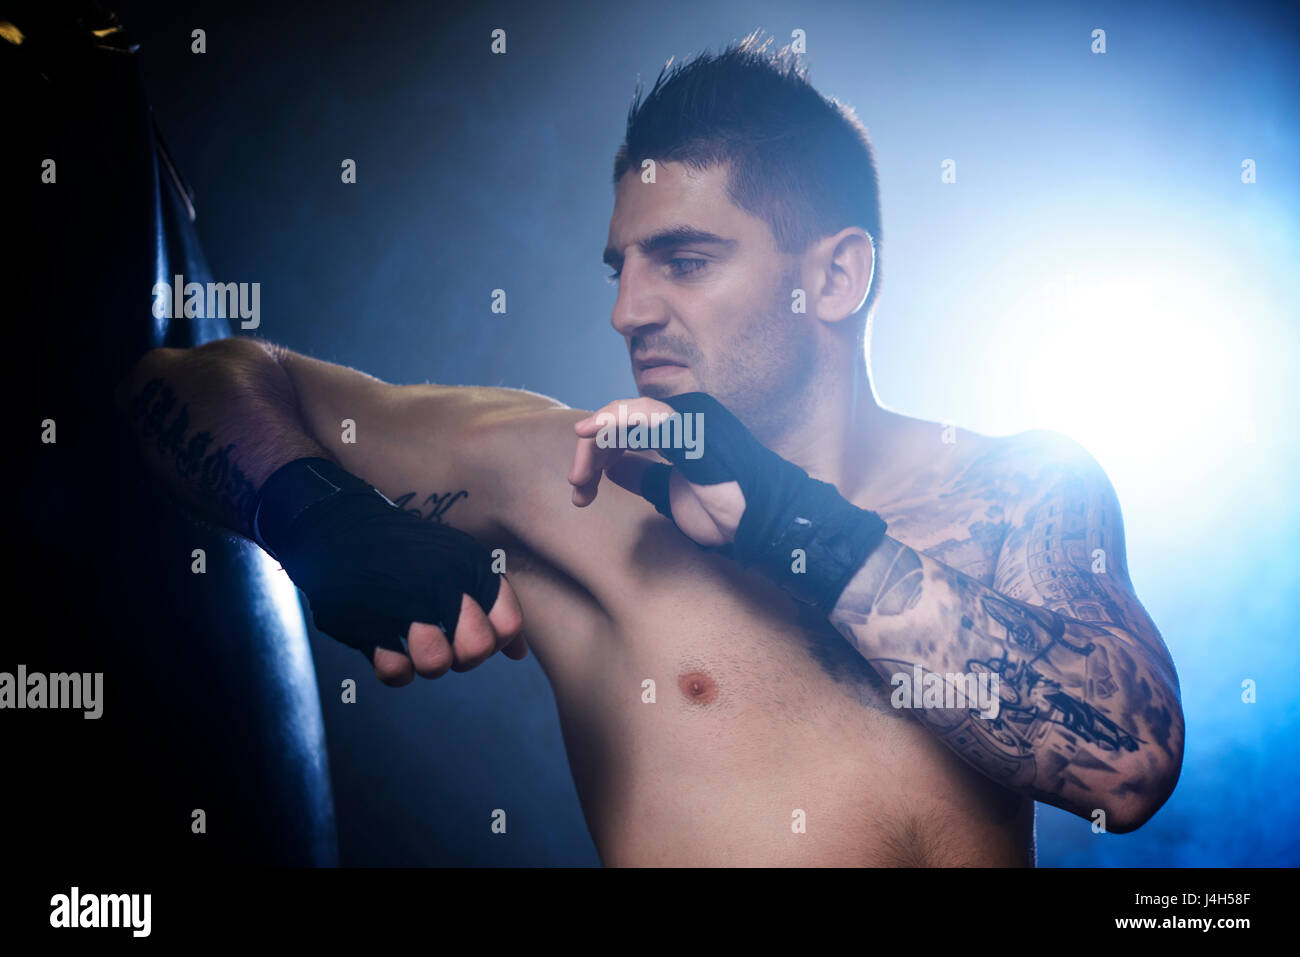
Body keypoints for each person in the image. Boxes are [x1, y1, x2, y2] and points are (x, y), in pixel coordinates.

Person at [115, 33, 1183, 866]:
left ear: (838, 277)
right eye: (619, 267)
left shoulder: (1015, 488)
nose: (629, 310)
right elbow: (190, 381)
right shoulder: (576, 481)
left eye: (683, 259)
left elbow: (1124, 771)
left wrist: (785, 522)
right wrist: (313, 516)